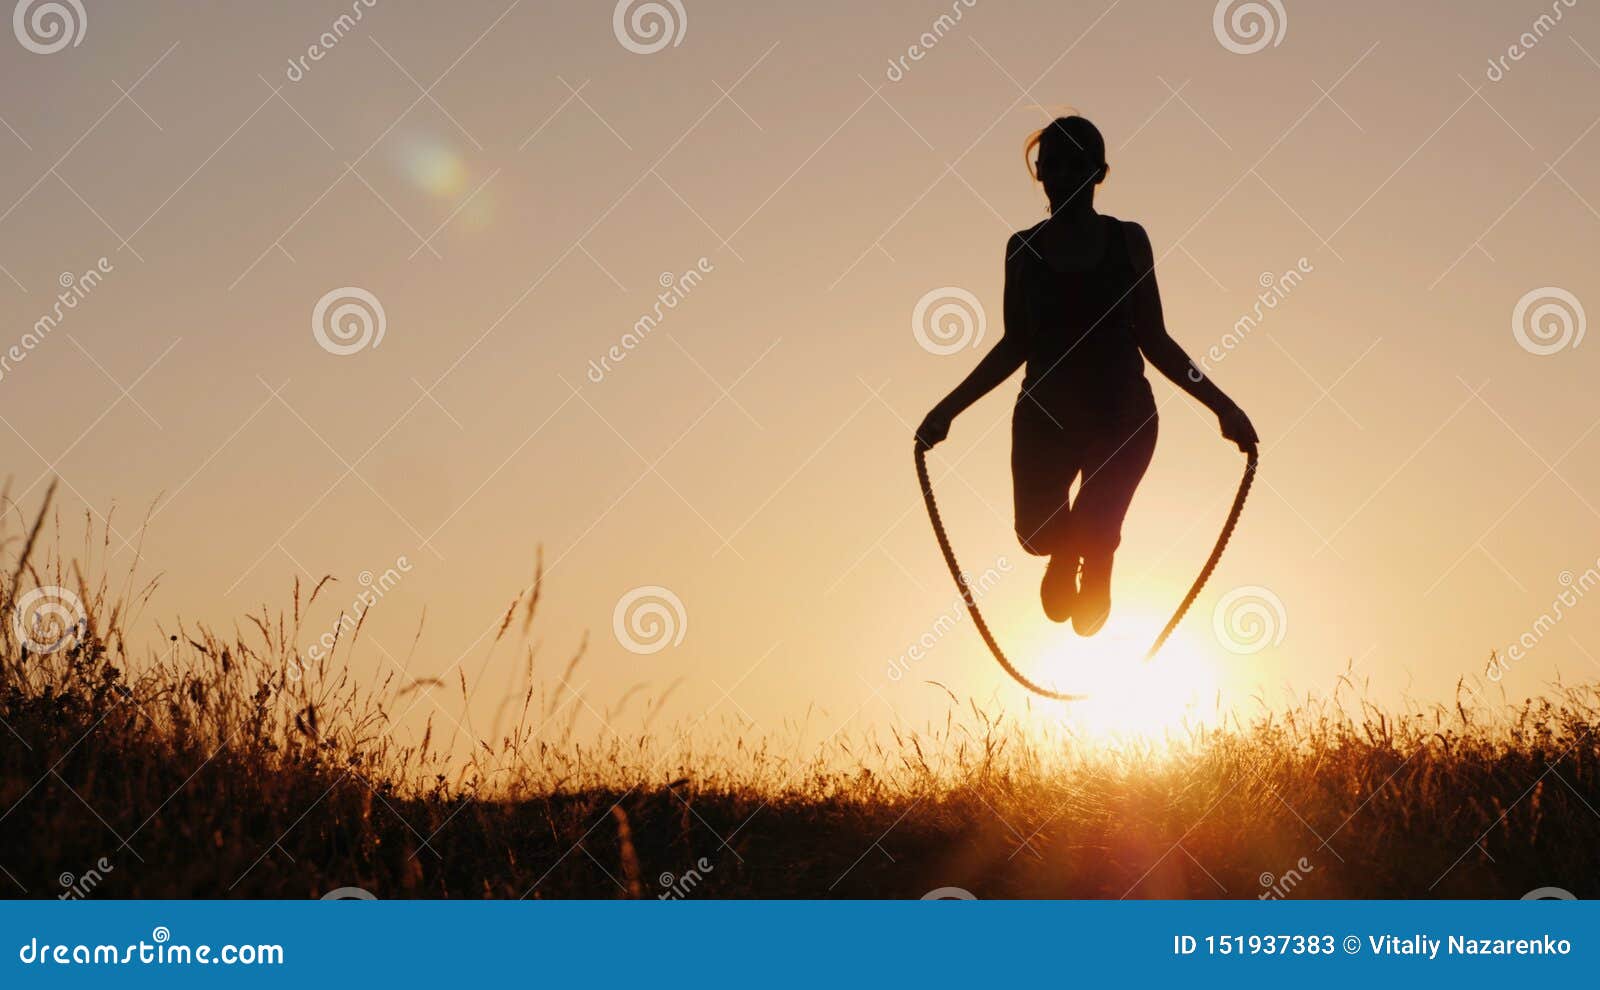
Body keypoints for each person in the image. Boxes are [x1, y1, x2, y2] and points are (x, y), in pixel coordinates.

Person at [916, 115, 1258, 635]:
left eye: (1073, 165)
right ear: (1039, 172)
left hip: (1122, 414)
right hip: (1045, 416)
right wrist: (947, 410)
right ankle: (1070, 549)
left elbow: (1156, 339)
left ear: (1098, 172)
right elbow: (1014, 345)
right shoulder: (1022, 249)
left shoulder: (1128, 241)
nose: (1059, 176)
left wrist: (1223, 408)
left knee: (1097, 525)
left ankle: (1098, 553)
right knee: (1035, 536)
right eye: (1050, 165)